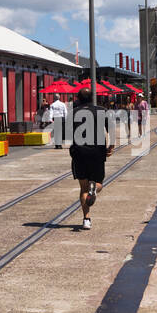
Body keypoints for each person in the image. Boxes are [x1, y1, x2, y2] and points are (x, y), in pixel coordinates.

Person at [69, 87, 114, 231]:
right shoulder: (102, 111)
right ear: (92, 98)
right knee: (98, 182)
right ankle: (94, 190)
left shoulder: (73, 113)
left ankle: (86, 219)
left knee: (83, 187)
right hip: (97, 152)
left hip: (79, 152)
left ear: (78, 98)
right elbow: (111, 130)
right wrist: (110, 147)